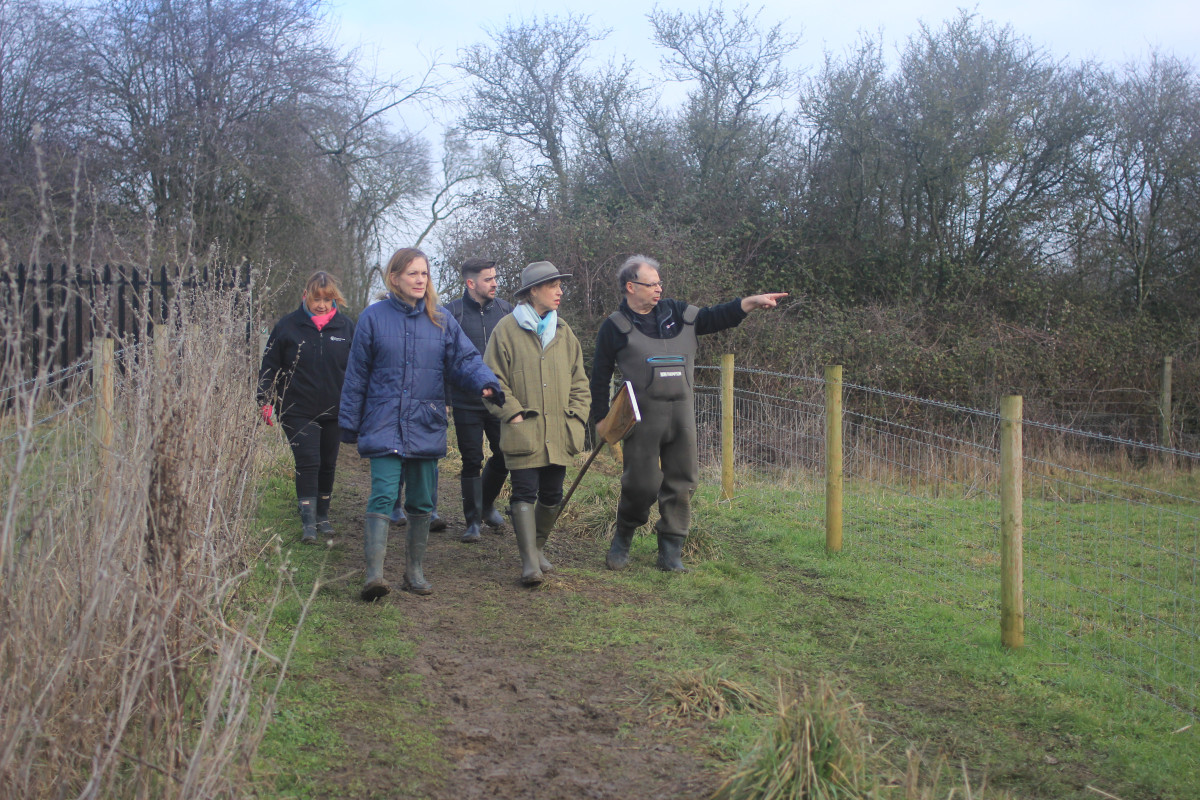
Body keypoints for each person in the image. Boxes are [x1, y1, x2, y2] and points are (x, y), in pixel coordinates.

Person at [590, 255, 787, 572]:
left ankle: (671, 551)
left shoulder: (678, 314)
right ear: (631, 286)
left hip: (682, 419)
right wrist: (601, 419)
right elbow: (599, 376)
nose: (658, 289)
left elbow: (717, 316)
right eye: (651, 284)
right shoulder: (614, 327)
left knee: (683, 484)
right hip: (642, 422)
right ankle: (622, 539)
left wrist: (749, 302)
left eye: (659, 283)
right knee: (640, 485)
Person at [339, 247, 502, 600]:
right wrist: (349, 421)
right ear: (394, 277)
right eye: (412, 273)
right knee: (383, 494)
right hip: (382, 422)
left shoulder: (441, 320)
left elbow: (465, 359)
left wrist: (485, 383)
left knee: (420, 501)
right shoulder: (372, 318)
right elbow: (356, 375)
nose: (419, 279)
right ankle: (374, 575)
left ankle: (414, 572)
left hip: (425, 422)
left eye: (424, 274)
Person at [483, 262, 589, 585]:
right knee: (524, 492)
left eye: (560, 285)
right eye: (552, 285)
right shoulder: (505, 330)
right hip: (523, 430)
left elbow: (580, 384)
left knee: (553, 494)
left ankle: (538, 546)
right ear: (533, 291)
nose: (559, 291)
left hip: (560, 431)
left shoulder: (565, 333)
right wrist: (512, 413)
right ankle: (529, 562)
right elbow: (491, 380)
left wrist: (577, 418)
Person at [258, 271, 355, 544]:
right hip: (296, 408)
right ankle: (308, 522)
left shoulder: (346, 328)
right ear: (305, 296)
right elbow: (269, 366)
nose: (322, 304)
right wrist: (264, 401)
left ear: (335, 299)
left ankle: (323, 515)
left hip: (335, 409)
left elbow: (359, 369)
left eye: (327, 299)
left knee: (327, 463)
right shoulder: (288, 326)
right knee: (308, 461)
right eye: (316, 299)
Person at [445, 257, 514, 542]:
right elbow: (444, 357)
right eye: (488, 279)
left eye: (495, 277)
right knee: (471, 459)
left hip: (500, 399)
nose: (495, 283)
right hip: (466, 400)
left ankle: (486, 503)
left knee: (505, 454)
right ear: (470, 283)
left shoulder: (506, 311)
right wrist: (447, 397)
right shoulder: (451, 313)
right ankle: (472, 521)